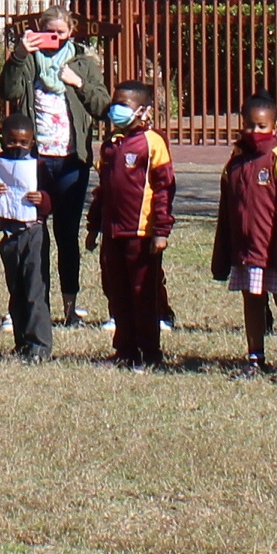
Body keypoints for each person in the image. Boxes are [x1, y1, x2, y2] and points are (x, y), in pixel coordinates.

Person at [0, 8, 109, 327]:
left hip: (71, 161)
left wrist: (78, 83)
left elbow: (102, 106)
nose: (55, 38)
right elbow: (9, 92)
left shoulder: (83, 63)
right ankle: (30, 305)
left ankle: (70, 306)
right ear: (39, 29)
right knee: (31, 233)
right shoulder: (29, 60)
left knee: (66, 234)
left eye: (61, 32)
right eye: (49, 31)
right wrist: (18, 55)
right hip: (34, 159)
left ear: (71, 32)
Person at [211, 93, 277, 380]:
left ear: (274, 126)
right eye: (250, 126)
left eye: (261, 126)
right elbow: (226, 210)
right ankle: (255, 358)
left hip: (275, 249)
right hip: (247, 250)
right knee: (252, 299)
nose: (255, 132)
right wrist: (225, 250)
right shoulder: (236, 162)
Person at [87, 82, 174, 369]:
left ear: (144, 111)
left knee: (142, 294)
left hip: (140, 233)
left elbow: (164, 189)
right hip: (113, 232)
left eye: (124, 104)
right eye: (115, 103)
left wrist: (160, 231)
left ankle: (149, 354)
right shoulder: (111, 144)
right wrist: (94, 224)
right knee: (118, 293)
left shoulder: (152, 143)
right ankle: (124, 351)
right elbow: (103, 189)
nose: (116, 109)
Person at [0, 111, 52, 360]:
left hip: (33, 232)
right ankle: (21, 342)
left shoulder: (39, 166)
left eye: (23, 143)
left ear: (32, 143)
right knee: (16, 290)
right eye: (12, 141)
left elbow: (51, 199)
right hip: (9, 235)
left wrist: (42, 200)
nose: (17, 147)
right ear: (2, 140)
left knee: (35, 290)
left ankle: (40, 346)